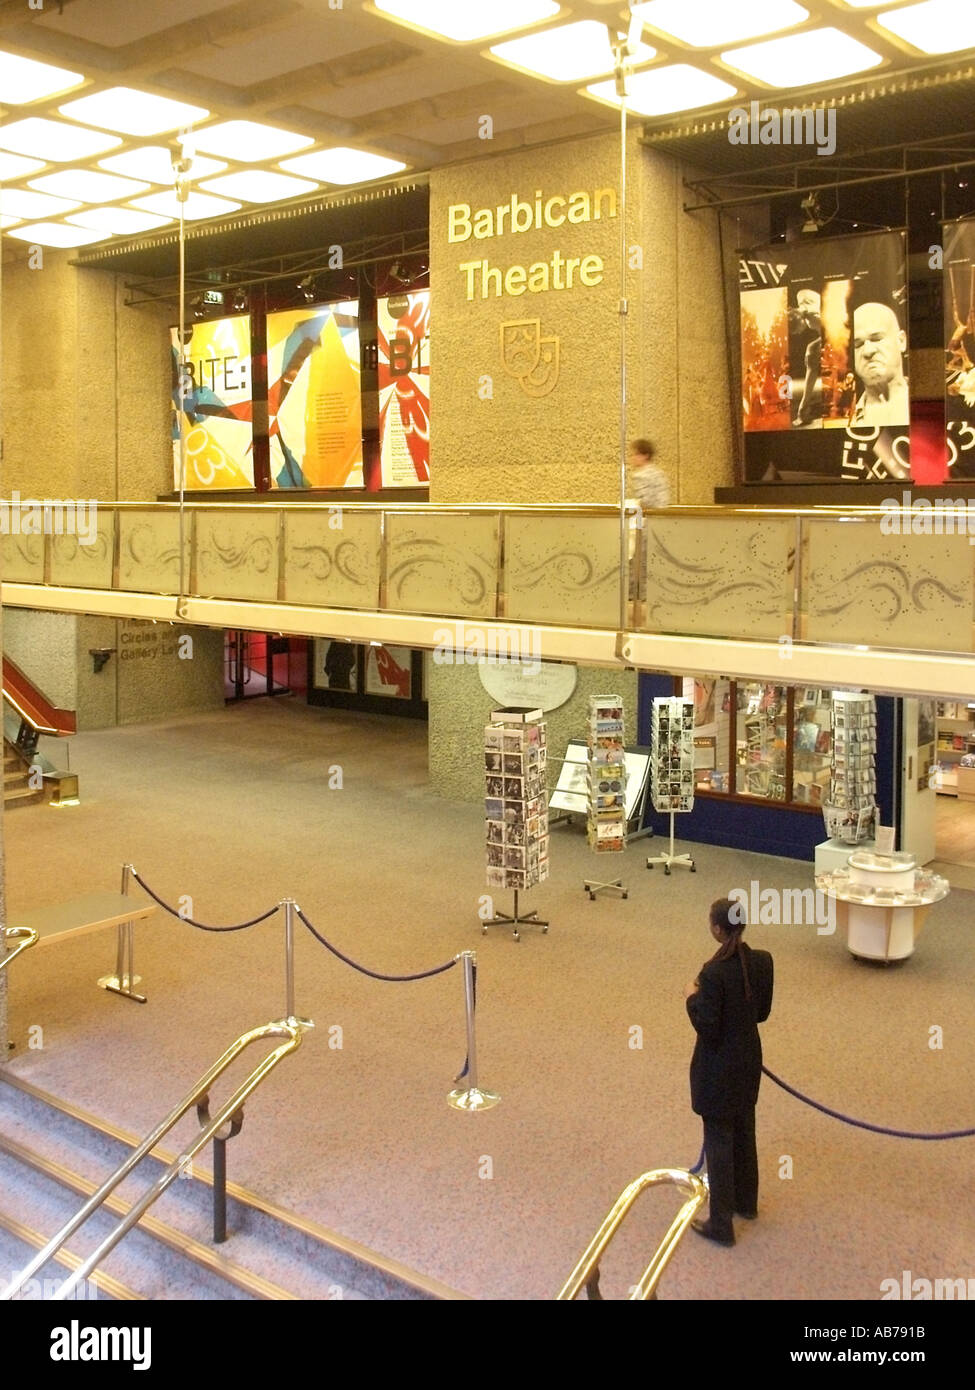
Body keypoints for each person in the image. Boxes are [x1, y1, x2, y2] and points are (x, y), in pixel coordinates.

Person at [685, 897, 774, 1247]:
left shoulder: (712, 973)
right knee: (744, 1128)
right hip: (748, 1060)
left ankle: (721, 1223)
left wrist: (690, 997)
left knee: (719, 1139)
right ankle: (746, 1202)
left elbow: (707, 1026)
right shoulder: (763, 962)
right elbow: (761, 1013)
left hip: (717, 1067)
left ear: (717, 929)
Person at [851, 301, 909, 426]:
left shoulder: (932, 404)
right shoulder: (844, 421)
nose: (867, 351)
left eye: (876, 339)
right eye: (858, 344)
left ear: (901, 341)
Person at [627, 438, 669, 510]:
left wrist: (629, 504)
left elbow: (645, 502)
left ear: (645, 456)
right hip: (662, 517)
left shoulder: (641, 476)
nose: (632, 458)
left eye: (636, 454)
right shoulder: (659, 473)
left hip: (649, 517)